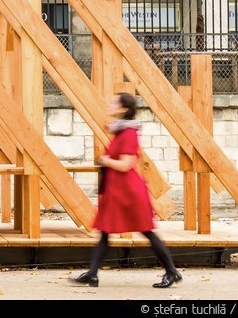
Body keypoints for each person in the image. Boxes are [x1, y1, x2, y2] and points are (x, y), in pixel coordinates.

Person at [73, 92, 183, 289]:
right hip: (117, 192)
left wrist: (105, 160)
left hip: (129, 193)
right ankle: (92, 274)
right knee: (105, 231)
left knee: (146, 231)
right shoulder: (120, 130)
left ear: (124, 109)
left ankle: (172, 271)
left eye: (114, 103)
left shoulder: (129, 133)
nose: (110, 105)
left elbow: (126, 164)